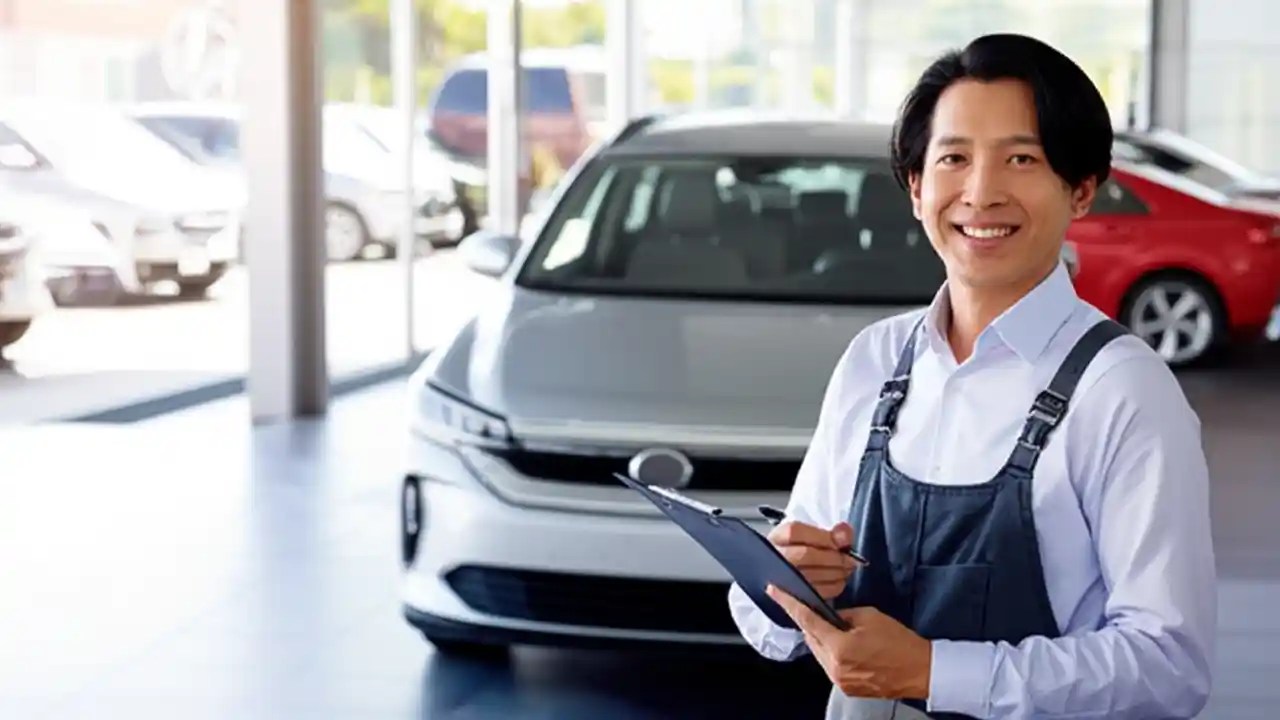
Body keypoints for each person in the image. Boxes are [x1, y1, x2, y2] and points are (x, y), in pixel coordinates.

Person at [728, 33, 1216, 720]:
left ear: (1081, 191)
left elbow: (1170, 668)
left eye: (1022, 159)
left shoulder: (1123, 390)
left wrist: (934, 670)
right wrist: (787, 582)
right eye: (954, 158)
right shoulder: (875, 360)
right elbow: (774, 626)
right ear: (918, 187)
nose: (981, 193)